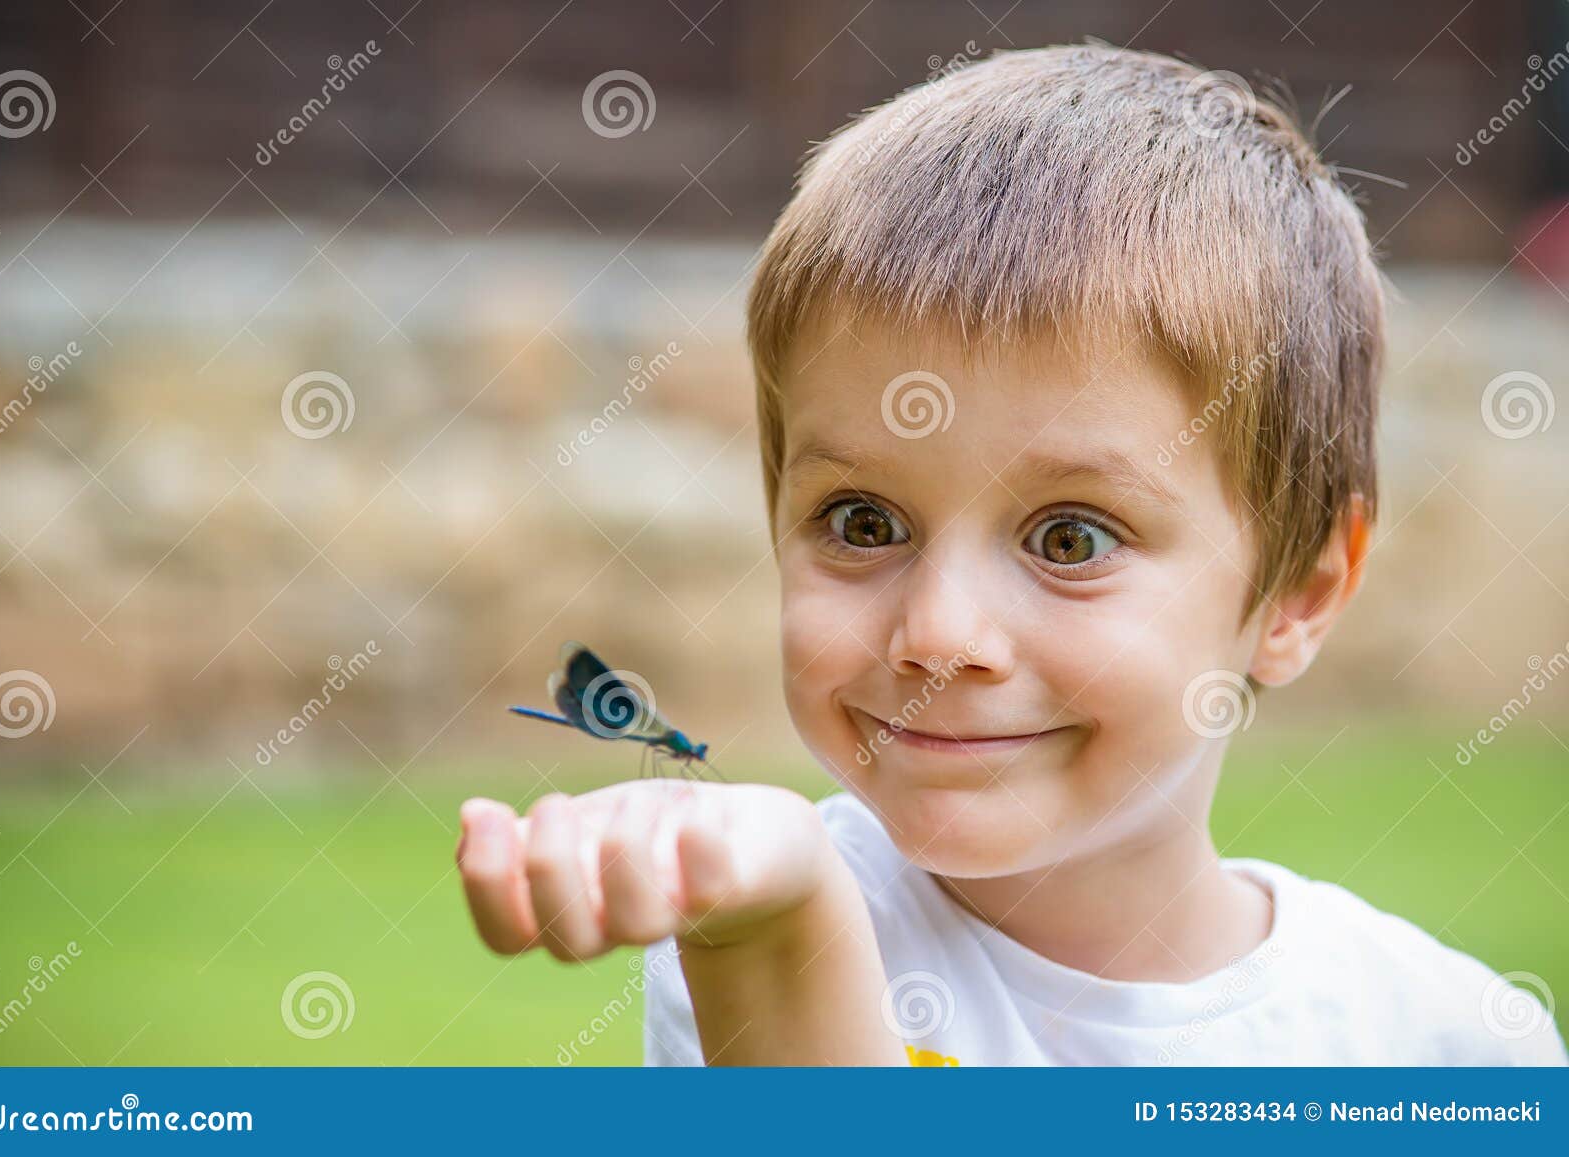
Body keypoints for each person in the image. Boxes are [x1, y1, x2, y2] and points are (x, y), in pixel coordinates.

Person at [455, 43, 1567, 1067]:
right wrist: (774, 937)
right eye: (863, 523)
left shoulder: (1445, 1046)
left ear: (1299, 593)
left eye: (1069, 538)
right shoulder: (762, 919)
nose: (939, 631)